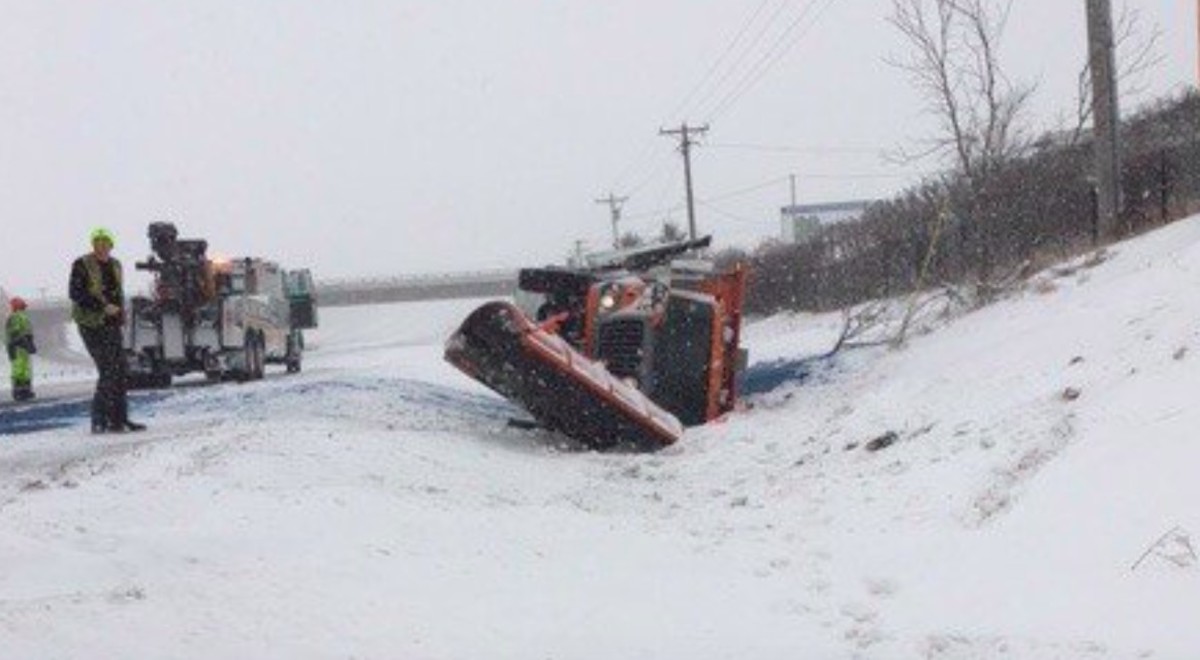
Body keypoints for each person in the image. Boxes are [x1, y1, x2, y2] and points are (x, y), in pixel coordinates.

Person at [69, 228, 146, 433]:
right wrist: (102, 307)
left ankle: (119, 419)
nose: (102, 246)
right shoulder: (82, 264)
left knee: (121, 370)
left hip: (111, 324)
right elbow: (75, 293)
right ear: (93, 244)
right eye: (98, 242)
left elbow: (116, 294)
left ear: (111, 245)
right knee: (107, 370)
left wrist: (120, 315)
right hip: (91, 324)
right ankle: (99, 419)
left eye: (105, 242)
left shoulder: (115, 265)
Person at [4, 296, 36, 401]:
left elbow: (27, 332)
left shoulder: (22, 316)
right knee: (18, 369)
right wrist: (26, 342)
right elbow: (14, 333)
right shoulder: (15, 317)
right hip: (17, 347)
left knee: (25, 369)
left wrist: (30, 343)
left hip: (23, 347)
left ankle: (25, 391)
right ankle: (18, 391)